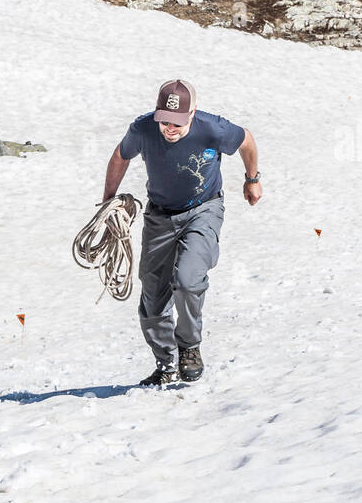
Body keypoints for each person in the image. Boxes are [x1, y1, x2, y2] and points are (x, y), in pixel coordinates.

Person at [101, 80, 260, 386]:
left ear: (192, 113)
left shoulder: (214, 129)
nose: (168, 129)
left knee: (187, 280)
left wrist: (252, 178)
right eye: (164, 121)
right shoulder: (143, 128)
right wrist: (108, 201)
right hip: (159, 216)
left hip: (203, 210)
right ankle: (165, 364)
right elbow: (121, 155)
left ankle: (189, 347)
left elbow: (247, 140)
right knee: (152, 297)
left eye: (176, 123)